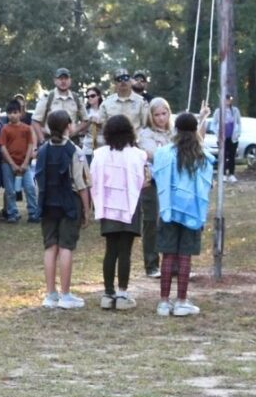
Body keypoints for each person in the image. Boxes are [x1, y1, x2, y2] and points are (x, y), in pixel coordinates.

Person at [30, 109, 93, 310]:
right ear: (68, 126)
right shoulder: (74, 150)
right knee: (66, 247)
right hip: (69, 203)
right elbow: (81, 184)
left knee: (50, 247)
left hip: (47, 202)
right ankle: (65, 295)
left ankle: (50, 294)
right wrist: (87, 209)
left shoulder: (42, 150)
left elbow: (37, 181)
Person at [151, 111, 211, 317]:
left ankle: (164, 302)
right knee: (185, 256)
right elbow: (205, 187)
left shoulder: (163, 153)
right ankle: (182, 301)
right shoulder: (202, 156)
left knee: (168, 255)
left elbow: (157, 179)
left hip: (169, 209)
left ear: (175, 129)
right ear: (195, 131)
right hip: (191, 211)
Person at [85, 114, 144, 312]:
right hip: (129, 207)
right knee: (125, 251)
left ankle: (108, 293)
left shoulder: (99, 154)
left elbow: (93, 180)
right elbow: (142, 181)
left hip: (108, 206)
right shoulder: (137, 154)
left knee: (110, 250)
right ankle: (122, 293)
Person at [133, 98, 175, 277]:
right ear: (151, 116)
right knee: (151, 221)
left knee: (171, 221)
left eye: (164, 114)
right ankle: (151, 264)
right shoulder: (145, 134)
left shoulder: (173, 132)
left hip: (172, 181)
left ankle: (171, 263)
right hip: (152, 181)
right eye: (157, 115)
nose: (161, 118)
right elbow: (155, 155)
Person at [0, 102, 37, 223]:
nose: (12, 115)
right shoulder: (5, 129)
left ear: (20, 113)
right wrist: (12, 164)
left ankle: (33, 213)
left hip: (24, 164)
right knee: (10, 190)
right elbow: (3, 147)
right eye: (10, 113)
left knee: (30, 187)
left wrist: (26, 162)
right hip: (8, 164)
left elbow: (30, 145)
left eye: (15, 112)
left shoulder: (26, 128)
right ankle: (12, 213)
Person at [219, 94, 242, 182]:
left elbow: (239, 122)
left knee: (232, 156)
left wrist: (238, 133)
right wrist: (218, 134)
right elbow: (215, 123)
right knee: (224, 156)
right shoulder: (219, 111)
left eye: (229, 100)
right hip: (223, 138)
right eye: (226, 100)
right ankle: (224, 174)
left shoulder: (235, 110)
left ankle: (232, 174)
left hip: (233, 137)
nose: (227, 101)